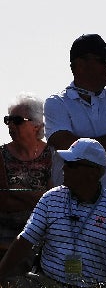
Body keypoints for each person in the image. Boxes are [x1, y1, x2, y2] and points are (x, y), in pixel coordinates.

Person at [0, 139, 106, 288]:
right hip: (46, 284)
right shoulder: (50, 198)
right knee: (8, 286)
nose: (64, 168)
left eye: (72, 164)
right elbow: (25, 240)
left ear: (93, 172)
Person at [44, 33, 106, 203]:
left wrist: (84, 156)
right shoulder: (57, 103)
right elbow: (66, 145)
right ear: (80, 65)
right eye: (103, 61)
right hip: (69, 209)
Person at [0, 95, 52, 268]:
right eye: (8, 120)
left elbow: (55, 199)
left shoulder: (52, 154)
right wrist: (40, 197)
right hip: (6, 236)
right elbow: (4, 201)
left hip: (44, 235)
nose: (11, 125)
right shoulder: (1, 155)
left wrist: (16, 191)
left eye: (17, 120)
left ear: (37, 124)